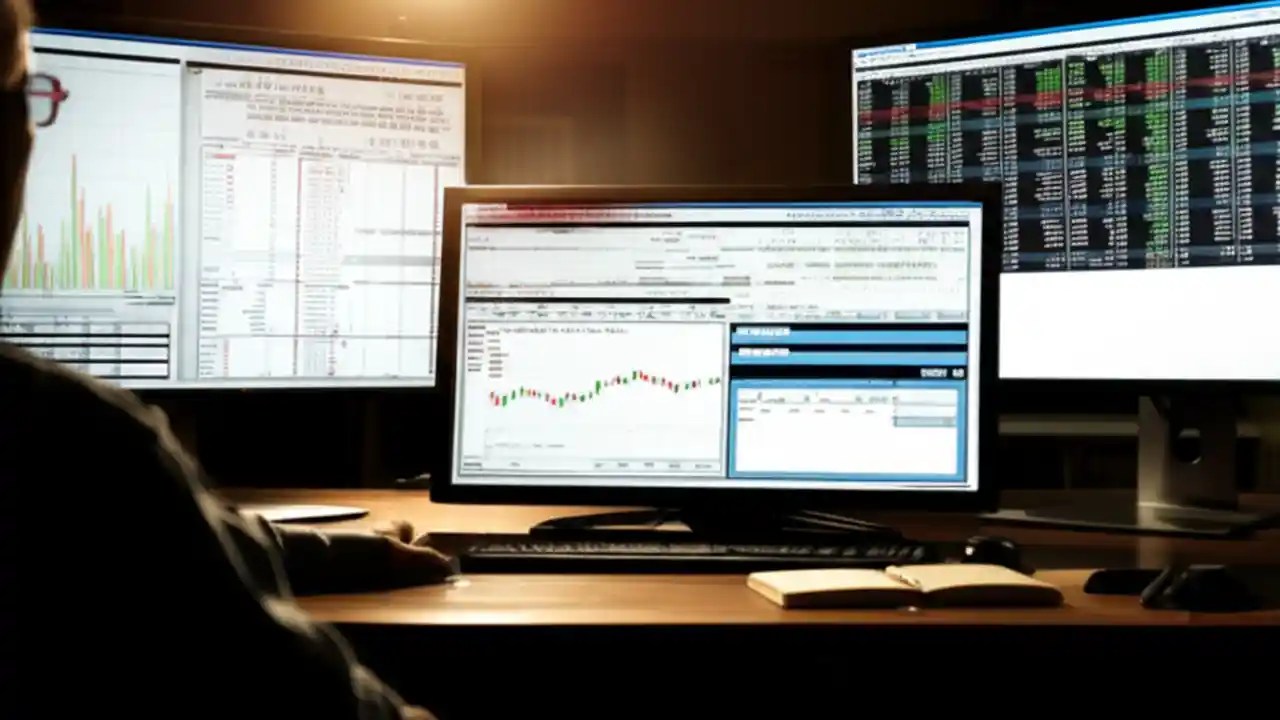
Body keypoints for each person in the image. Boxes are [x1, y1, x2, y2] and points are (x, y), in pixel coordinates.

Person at [0, 1, 451, 716]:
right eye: (31, 94)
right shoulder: (76, 440)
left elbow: (130, 546)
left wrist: (321, 551)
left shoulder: (77, 466)